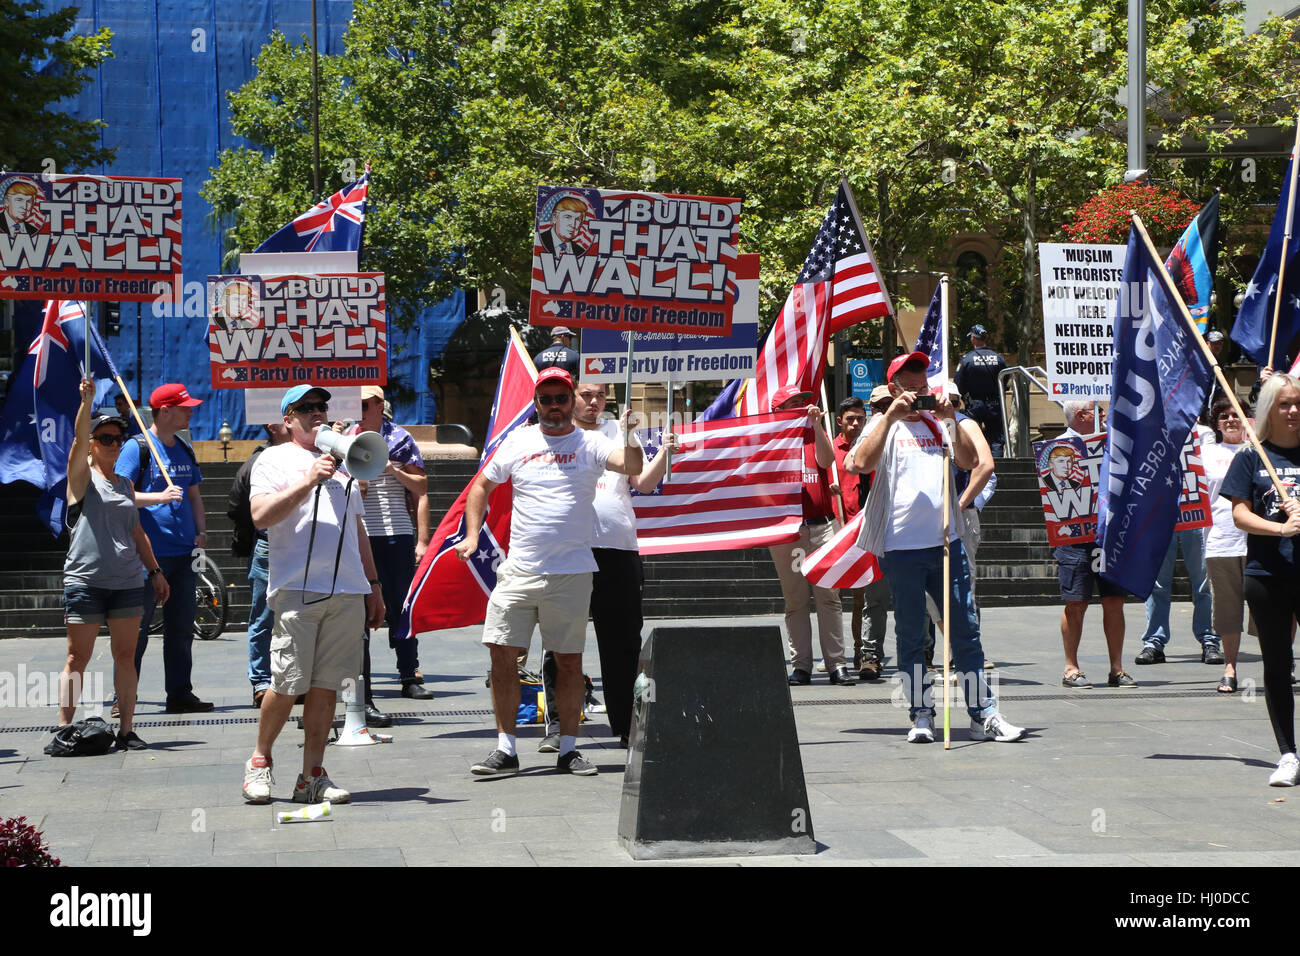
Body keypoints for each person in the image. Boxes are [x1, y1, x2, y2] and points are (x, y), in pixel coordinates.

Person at [458, 367, 643, 776]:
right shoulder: (518, 441)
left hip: (573, 572)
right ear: (537, 403)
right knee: (502, 655)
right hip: (520, 570)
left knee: (569, 662)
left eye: (562, 398)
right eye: (547, 399)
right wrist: (472, 535)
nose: (555, 406)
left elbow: (631, 466)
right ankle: (506, 748)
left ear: (571, 400)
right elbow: (480, 486)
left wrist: (631, 433)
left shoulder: (591, 442)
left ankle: (569, 749)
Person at [846, 352, 1024, 743]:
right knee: (911, 636)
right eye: (909, 389)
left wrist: (947, 419)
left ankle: (984, 714)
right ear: (893, 389)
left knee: (966, 632)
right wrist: (890, 416)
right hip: (900, 546)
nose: (918, 395)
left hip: (946, 543)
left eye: (923, 387)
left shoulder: (939, 420)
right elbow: (857, 463)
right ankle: (921, 714)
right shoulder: (881, 423)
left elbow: (968, 460)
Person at [241, 385, 385, 804]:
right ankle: (260, 761)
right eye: (306, 409)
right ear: (288, 420)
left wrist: (373, 586)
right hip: (297, 590)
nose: (317, 413)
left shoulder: (345, 465)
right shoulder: (272, 459)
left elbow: (356, 530)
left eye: (322, 407)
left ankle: (312, 776)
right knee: (287, 683)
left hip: (346, 591)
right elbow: (261, 516)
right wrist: (308, 479)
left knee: (327, 687)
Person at [537, 380, 678, 751]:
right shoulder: (550, 435)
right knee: (561, 641)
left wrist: (663, 452)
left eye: (601, 395)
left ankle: (627, 727)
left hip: (618, 547)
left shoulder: (620, 430)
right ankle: (557, 727)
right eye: (586, 395)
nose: (594, 402)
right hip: (569, 550)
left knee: (623, 644)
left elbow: (644, 484)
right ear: (570, 398)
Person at [58, 378, 168, 750]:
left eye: (118, 439)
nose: (114, 444)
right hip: (86, 582)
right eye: (105, 438)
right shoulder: (82, 479)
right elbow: (75, 442)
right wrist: (87, 402)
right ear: (91, 444)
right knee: (78, 656)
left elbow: (136, 533)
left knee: (126, 656)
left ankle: (126, 729)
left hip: (125, 582)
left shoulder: (123, 484)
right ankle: (63, 727)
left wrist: (154, 571)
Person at [1220, 374, 1300, 786]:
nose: (1292, 411)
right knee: (1277, 664)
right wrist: (1280, 529)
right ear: (1269, 409)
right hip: (1268, 574)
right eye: (1284, 403)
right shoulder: (1252, 457)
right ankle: (1287, 752)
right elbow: (1240, 514)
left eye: (1297, 403)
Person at [114, 383, 212, 714]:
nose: (191, 411)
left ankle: (180, 693)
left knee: (182, 629)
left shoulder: (184, 449)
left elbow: (195, 497)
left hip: (185, 554)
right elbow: (119, 496)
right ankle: (124, 697)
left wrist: (202, 532)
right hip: (145, 557)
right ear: (165, 411)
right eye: (185, 407)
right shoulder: (136, 448)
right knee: (136, 632)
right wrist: (158, 497)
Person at [346, 385, 434, 721]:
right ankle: (362, 684)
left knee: (401, 605)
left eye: (365, 404)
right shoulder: (346, 437)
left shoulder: (400, 439)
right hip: (359, 536)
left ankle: (409, 674)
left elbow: (421, 489)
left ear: (379, 405)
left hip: (396, 533)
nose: (360, 409)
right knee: (358, 611)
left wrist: (393, 470)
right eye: (356, 404)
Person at [768, 385, 854, 687]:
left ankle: (837, 665)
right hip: (788, 532)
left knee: (829, 597)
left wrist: (817, 425)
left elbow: (828, 460)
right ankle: (801, 665)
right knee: (796, 600)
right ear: (778, 411)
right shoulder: (771, 440)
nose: (801, 408)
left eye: (802, 402)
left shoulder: (813, 432)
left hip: (822, 527)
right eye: (793, 404)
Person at [1052, 400, 1134, 689]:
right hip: (1074, 539)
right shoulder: (1055, 450)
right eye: (1097, 410)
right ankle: (1071, 667)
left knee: (1114, 600)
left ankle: (1117, 669)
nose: (1103, 414)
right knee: (1076, 602)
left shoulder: (1114, 444)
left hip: (1108, 537)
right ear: (1081, 415)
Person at [227, 422, 290, 707]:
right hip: (268, 544)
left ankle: (290, 679)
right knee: (264, 619)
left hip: (302, 545)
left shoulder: (311, 454)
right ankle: (262, 681)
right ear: (273, 426)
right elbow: (237, 505)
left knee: (297, 618)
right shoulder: (260, 460)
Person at [1203, 398, 1252, 694]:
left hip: (1260, 541)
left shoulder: (1260, 449)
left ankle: (1281, 663)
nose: (1231, 419)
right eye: (1224, 415)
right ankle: (1230, 668)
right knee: (1227, 610)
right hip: (1220, 541)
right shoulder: (1205, 453)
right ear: (1216, 422)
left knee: (1272, 610)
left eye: (1238, 414)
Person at [830, 396, 876, 675]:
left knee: (861, 598)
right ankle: (834, 655)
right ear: (840, 421)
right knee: (831, 598)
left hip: (863, 530)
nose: (856, 423)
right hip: (835, 530)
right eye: (850, 419)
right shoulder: (830, 450)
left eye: (860, 418)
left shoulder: (870, 447)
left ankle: (861, 651)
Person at [955, 324, 1007, 456]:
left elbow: (958, 383)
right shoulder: (998, 358)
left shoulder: (967, 359)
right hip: (994, 404)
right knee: (996, 440)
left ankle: (976, 469)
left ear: (973, 338)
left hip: (974, 404)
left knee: (972, 436)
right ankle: (999, 470)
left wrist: (962, 398)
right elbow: (1005, 379)